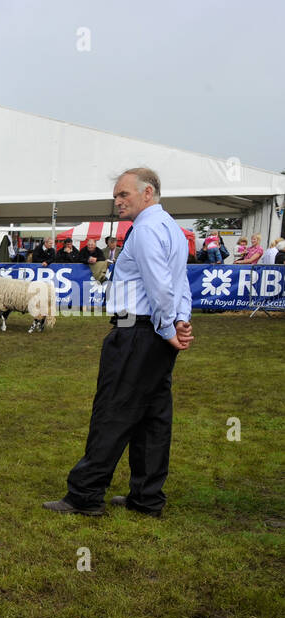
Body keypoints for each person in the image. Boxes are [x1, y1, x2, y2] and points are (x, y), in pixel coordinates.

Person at [45, 168, 193, 518]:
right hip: (155, 337)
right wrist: (180, 320)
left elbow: (160, 285)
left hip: (137, 333)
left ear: (148, 193)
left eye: (124, 194)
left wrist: (168, 326)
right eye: (116, 195)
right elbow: (179, 282)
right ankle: (147, 497)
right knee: (153, 418)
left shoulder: (144, 231)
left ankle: (85, 494)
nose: (117, 201)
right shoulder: (170, 227)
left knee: (113, 411)